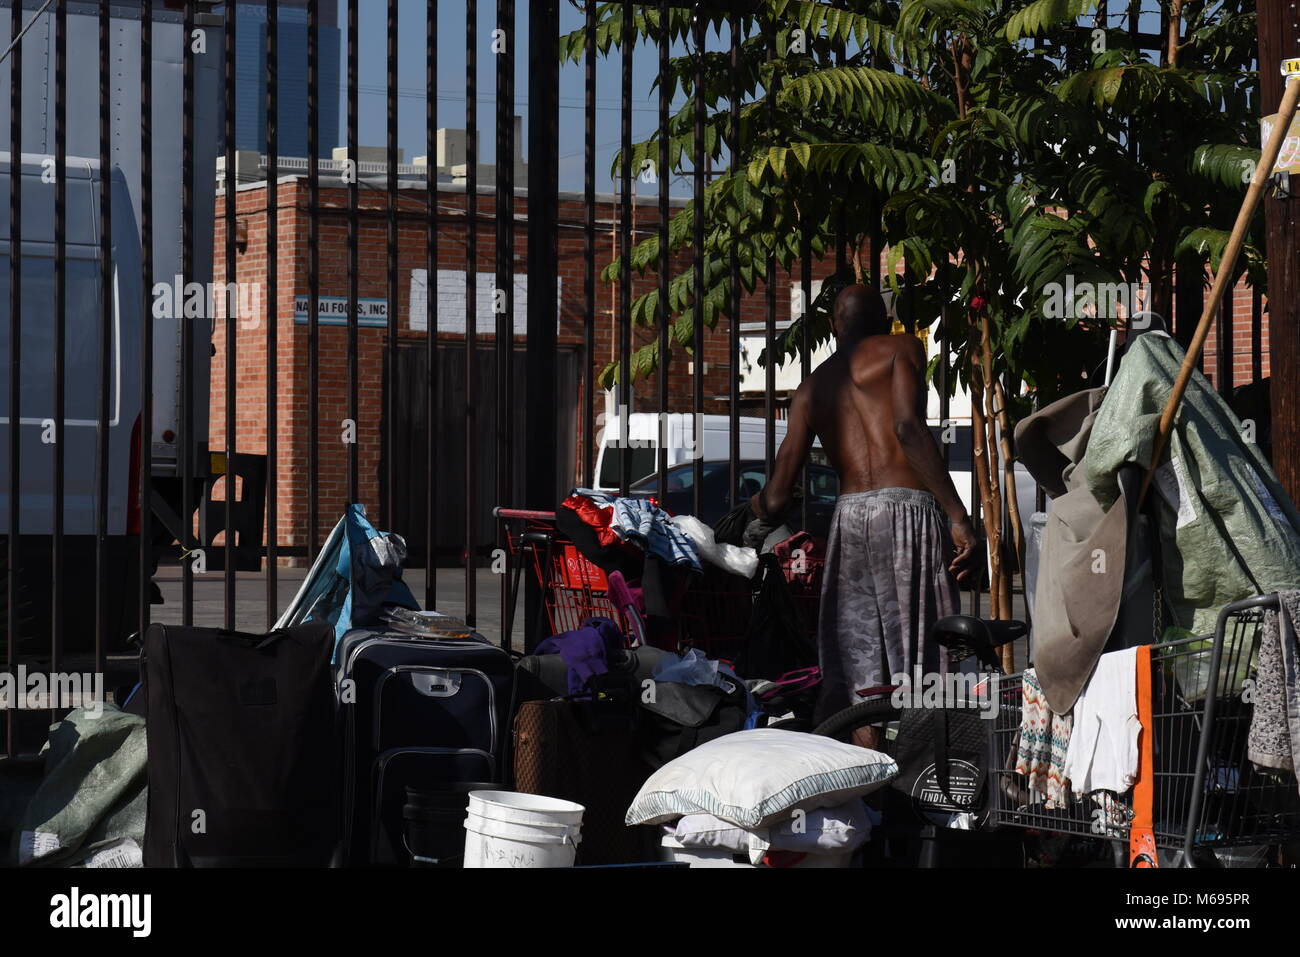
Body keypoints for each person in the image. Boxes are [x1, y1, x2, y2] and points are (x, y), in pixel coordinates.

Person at [749, 285, 977, 747]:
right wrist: (958, 516)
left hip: (849, 518)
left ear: (835, 325)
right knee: (924, 654)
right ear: (883, 319)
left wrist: (751, 510)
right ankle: (930, 780)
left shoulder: (811, 388)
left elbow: (774, 498)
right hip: (905, 512)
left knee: (857, 663)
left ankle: (868, 790)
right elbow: (907, 428)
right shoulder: (901, 348)